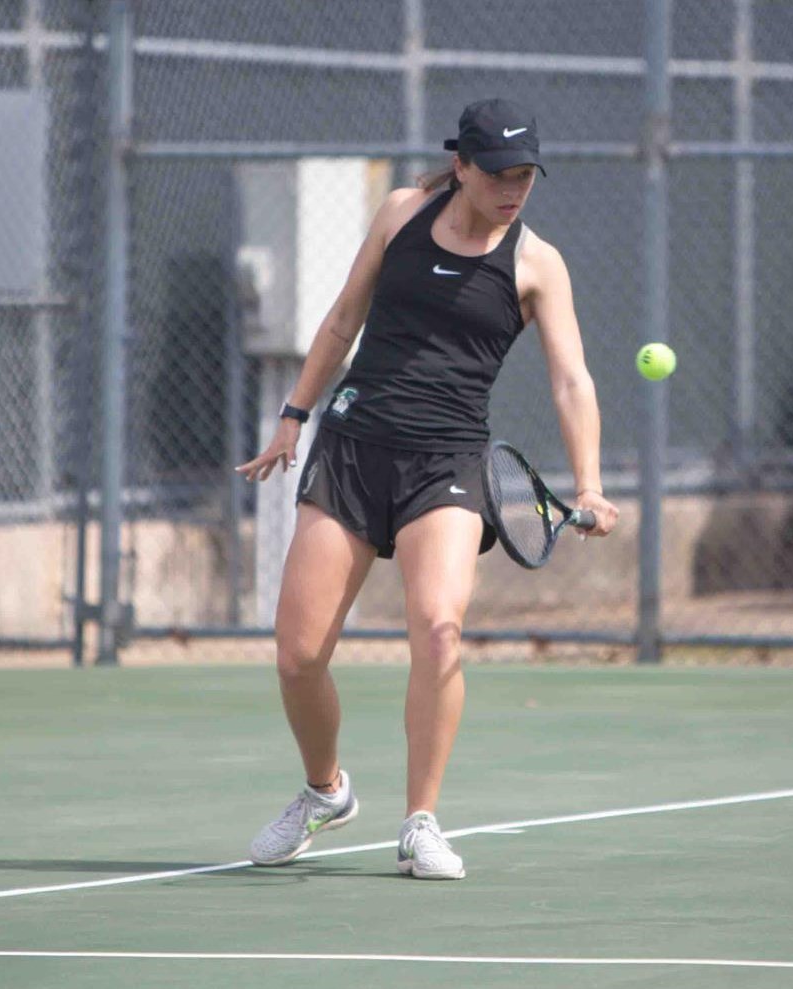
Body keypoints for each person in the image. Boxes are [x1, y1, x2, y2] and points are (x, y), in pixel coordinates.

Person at [234, 97, 619, 880]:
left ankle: (420, 822)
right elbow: (344, 320)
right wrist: (292, 418)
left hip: (446, 462)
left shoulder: (537, 262)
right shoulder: (402, 213)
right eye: (501, 173)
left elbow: (571, 378)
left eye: (527, 175)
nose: (515, 187)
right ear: (462, 167)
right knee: (298, 656)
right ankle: (324, 791)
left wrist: (592, 483)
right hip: (352, 446)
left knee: (439, 629)